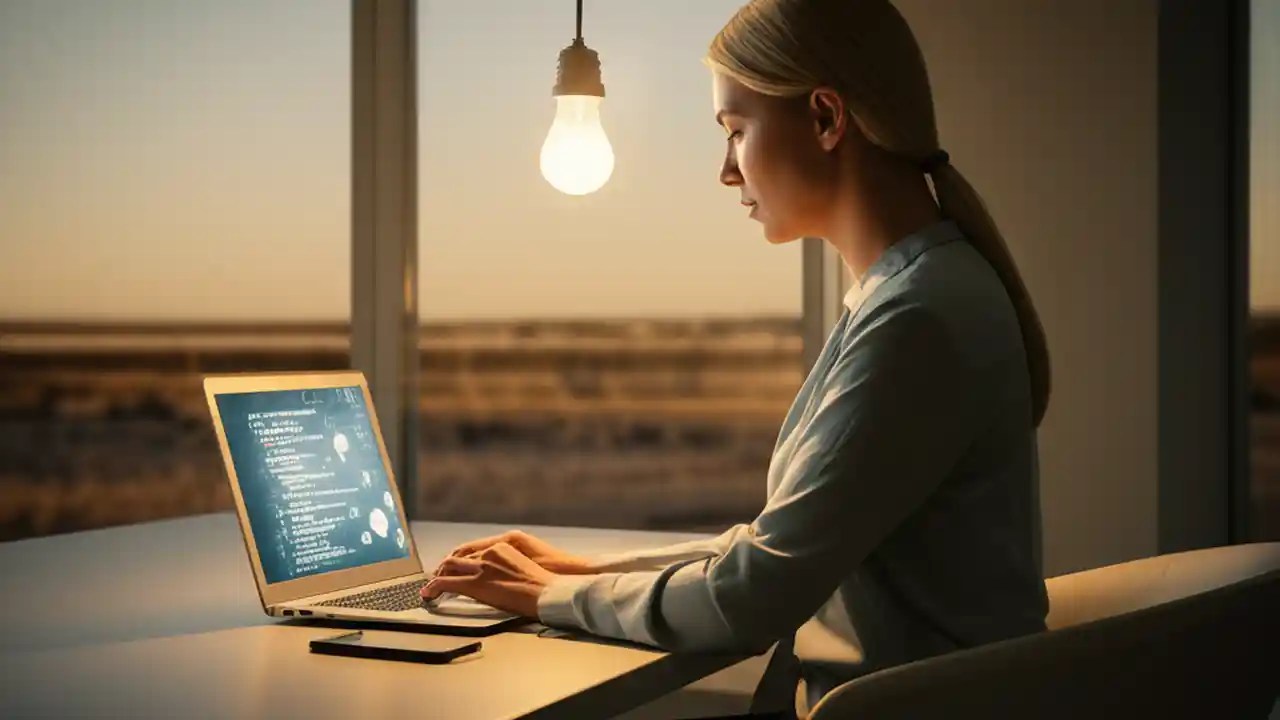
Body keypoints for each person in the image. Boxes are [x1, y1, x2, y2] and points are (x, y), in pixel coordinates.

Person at [421, 0, 1052, 715]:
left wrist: (550, 597)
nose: (727, 171)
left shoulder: (918, 317)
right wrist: (582, 570)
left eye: (736, 131)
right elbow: (774, 548)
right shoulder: (917, 290)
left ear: (824, 119)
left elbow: (749, 598)